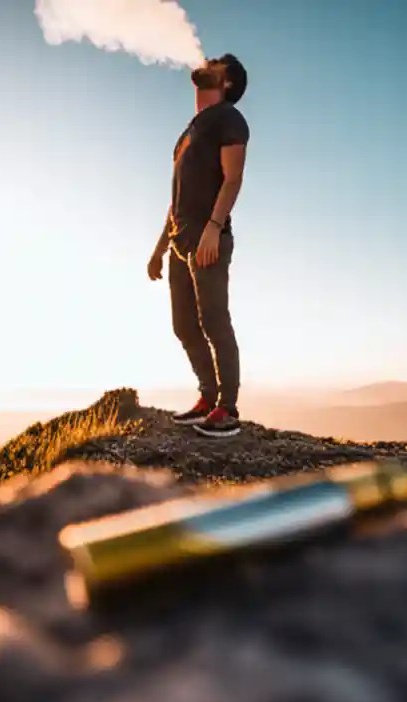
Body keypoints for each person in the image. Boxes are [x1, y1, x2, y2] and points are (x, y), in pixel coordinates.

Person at [147, 54, 249, 438]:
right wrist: (159, 248)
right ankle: (207, 398)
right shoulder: (189, 131)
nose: (207, 63)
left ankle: (228, 409)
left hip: (208, 239)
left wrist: (214, 227)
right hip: (179, 242)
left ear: (226, 84)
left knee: (213, 321)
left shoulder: (229, 119)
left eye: (216, 65)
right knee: (184, 325)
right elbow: (177, 199)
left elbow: (233, 178)